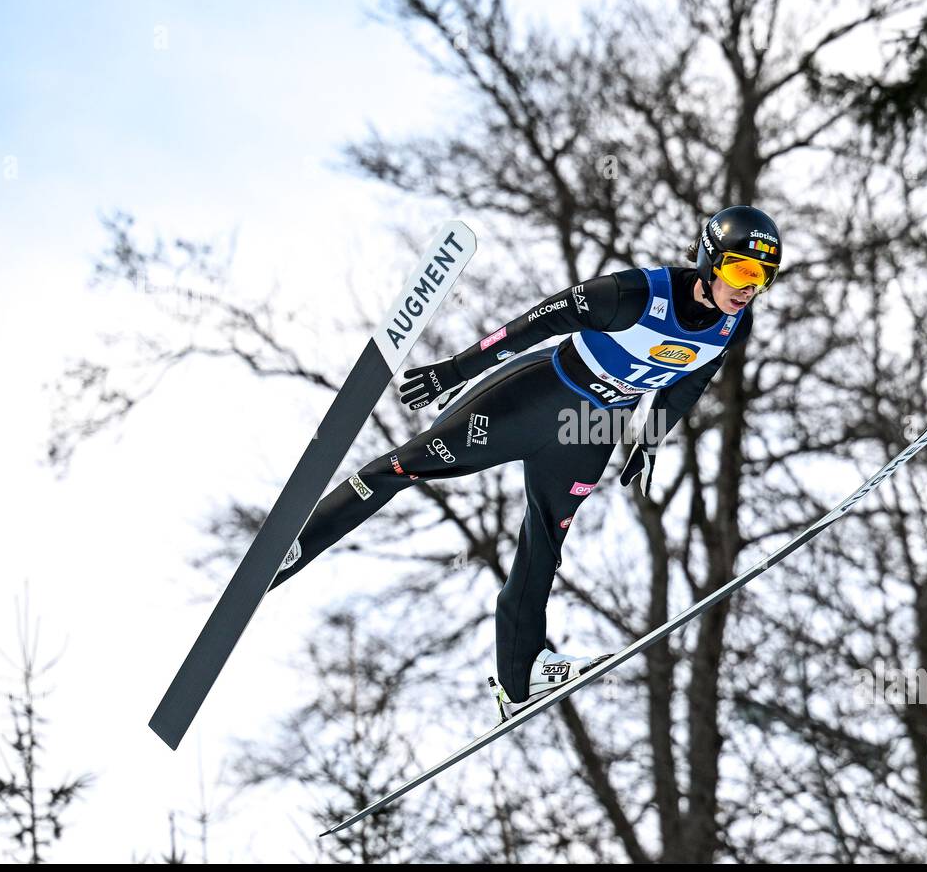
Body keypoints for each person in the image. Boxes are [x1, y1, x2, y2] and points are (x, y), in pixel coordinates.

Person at [269, 205, 782, 719]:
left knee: (546, 539)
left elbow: (689, 383)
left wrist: (648, 439)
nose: (748, 287)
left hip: (589, 432)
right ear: (709, 261)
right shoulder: (633, 295)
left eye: (762, 277)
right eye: (741, 270)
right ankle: (294, 547)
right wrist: (455, 370)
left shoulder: (734, 326)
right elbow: (531, 326)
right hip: (537, 397)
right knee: (406, 467)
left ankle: (520, 675)